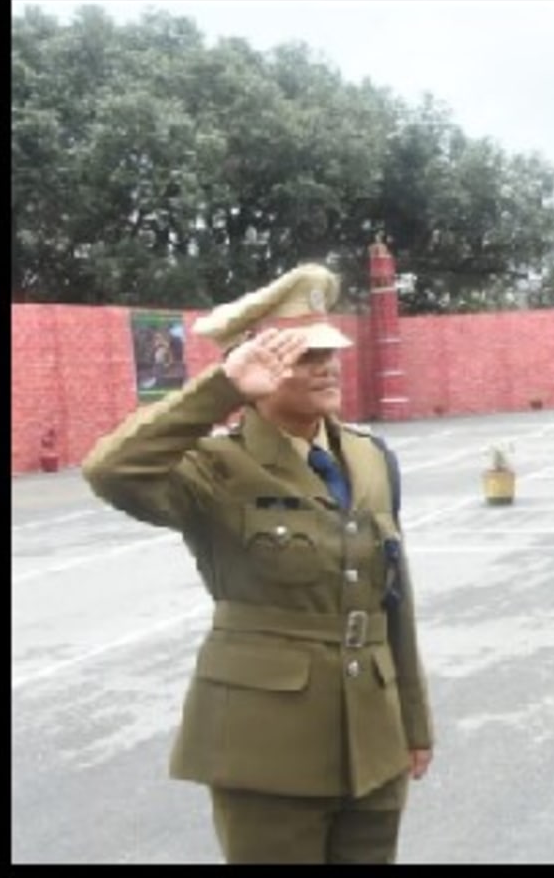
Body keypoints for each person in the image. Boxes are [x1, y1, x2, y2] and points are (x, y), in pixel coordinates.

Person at [81, 263, 435, 863]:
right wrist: (219, 389)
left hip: (373, 738)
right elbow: (110, 471)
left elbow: (391, 597)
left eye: (330, 352)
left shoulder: (370, 457)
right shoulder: (214, 468)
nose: (326, 366)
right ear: (257, 371)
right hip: (267, 744)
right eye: (304, 357)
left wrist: (414, 724)